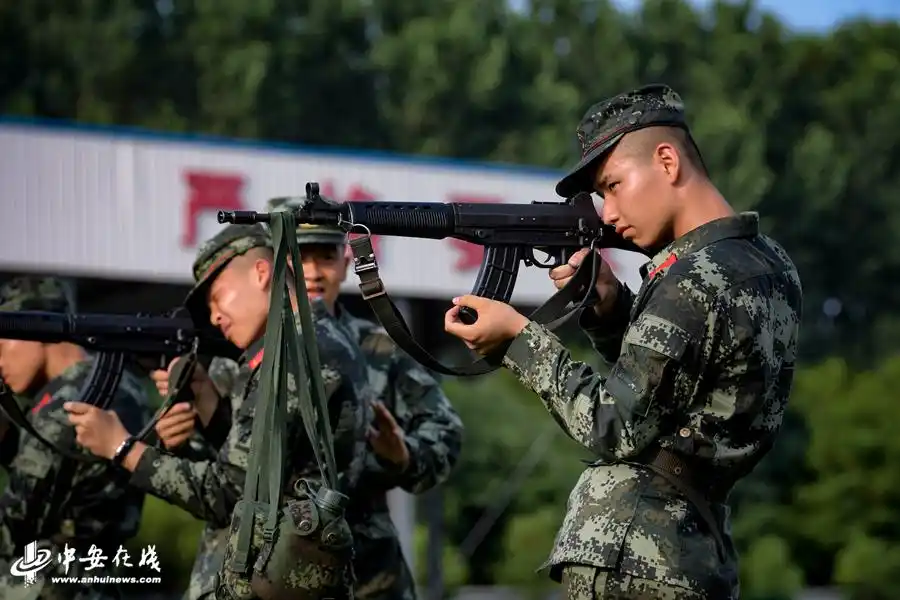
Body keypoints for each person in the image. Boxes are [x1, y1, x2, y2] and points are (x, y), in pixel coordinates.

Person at [443, 83, 803, 599]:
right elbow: (681, 396)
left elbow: (614, 424)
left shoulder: (691, 281)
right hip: (692, 547)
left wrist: (517, 340)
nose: (607, 214)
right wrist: (614, 314)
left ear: (666, 161)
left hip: (633, 555)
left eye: (612, 185)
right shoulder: (770, 265)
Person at [155, 207, 465, 600]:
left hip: (363, 565)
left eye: (326, 256)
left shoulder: (379, 348)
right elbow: (226, 475)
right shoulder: (235, 358)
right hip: (257, 563)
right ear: (270, 267)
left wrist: (403, 458)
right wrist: (182, 437)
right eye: (299, 258)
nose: (313, 272)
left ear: (346, 261)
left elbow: (446, 434)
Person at [64, 223, 371, 598]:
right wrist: (207, 403)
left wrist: (122, 448)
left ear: (261, 274)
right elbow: (274, 472)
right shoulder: (308, 343)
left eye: (217, 297)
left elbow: (228, 493)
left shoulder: (294, 356)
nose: (214, 317)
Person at [0, 276, 152, 600]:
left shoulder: (63, 407)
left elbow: (15, 527)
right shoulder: (124, 385)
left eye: (1, 343)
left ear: (36, 330)